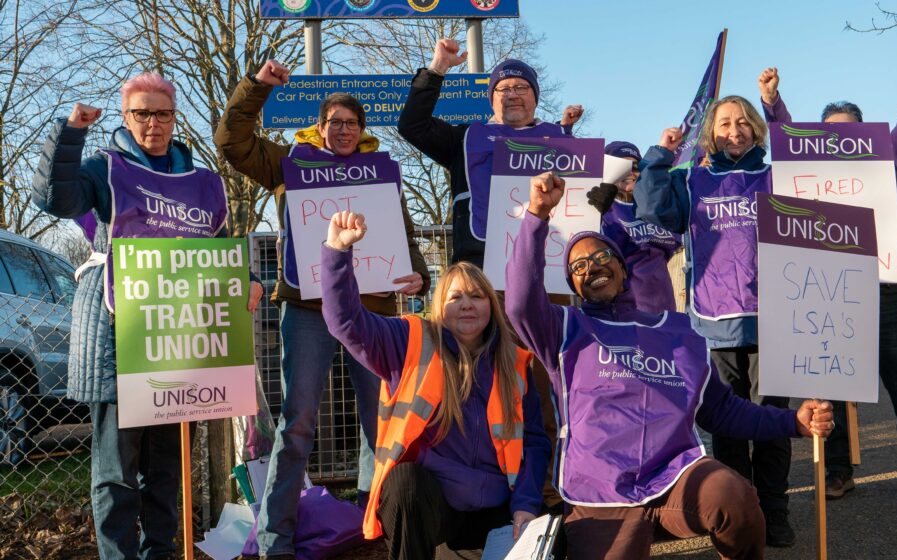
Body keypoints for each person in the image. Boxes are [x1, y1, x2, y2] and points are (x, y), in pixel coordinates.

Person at [505, 171, 834, 560]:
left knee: (735, 497)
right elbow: (520, 303)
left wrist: (794, 421)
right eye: (578, 267)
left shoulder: (678, 331)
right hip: (600, 487)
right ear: (574, 286)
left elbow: (722, 410)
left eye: (601, 257)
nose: (592, 267)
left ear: (624, 268)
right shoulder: (565, 328)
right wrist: (537, 216)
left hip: (675, 473)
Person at [32, 72, 264, 560]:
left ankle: (160, 551)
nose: (153, 123)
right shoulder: (104, 169)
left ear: (175, 118)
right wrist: (69, 132)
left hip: (185, 341)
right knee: (116, 471)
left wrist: (248, 281)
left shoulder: (203, 183)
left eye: (162, 113)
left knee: (168, 469)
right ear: (126, 116)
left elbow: (220, 251)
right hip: (121, 336)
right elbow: (53, 199)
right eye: (142, 113)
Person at [214, 60, 431, 559]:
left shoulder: (382, 172)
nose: (344, 130)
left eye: (352, 124)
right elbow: (232, 140)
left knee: (382, 419)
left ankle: (376, 520)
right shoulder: (291, 162)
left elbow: (403, 234)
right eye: (335, 122)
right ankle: (276, 540)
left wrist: (416, 270)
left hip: (371, 309)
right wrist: (257, 86)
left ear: (362, 131)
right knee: (299, 420)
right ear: (320, 126)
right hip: (307, 308)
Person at [756, 39, 897, 502]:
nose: (836, 140)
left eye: (846, 132)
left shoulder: (890, 166)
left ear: (864, 136)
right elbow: (790, 153)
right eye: (827, 132)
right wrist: (772, 104)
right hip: (827, 291)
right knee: (829, 385)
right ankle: (838, 470)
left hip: (889, 291)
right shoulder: (809, 175)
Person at [319, 210, 550, 560]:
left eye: (477, 296)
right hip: (433, 507)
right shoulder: (409, 340)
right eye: (455, 297)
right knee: (404, 484)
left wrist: (526, 506)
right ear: (439, 306)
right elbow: (346, 322)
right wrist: (337, 252)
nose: (467, 305)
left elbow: (532, 442)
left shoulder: (516, 363)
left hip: (496, 511)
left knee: (559, 534)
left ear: (492, 304)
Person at [633, 97, 796, 546]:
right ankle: (744, 511)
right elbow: (652, 211)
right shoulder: (693, 177)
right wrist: (659, 157)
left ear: (757, 130)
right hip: (715, 321)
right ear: (711, 133)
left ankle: (776, 511)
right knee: (728, 426)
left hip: (774, 320)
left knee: (773, 423)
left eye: (744, 122)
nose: (735, 129)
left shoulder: (776, 174)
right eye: (725, 123)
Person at [397, 38, 583, 267]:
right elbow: (412, 125)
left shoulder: (560, 141)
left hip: (551, 264)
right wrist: (437, 69)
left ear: (535, 96)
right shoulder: (465, 138)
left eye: (521, 87)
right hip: (481, 267)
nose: (512, 94)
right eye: (503, 89)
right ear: (491, 99)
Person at [586, 141, 683, 313]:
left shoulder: (655, 208)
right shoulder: (599, 210)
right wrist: (595, 215)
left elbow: (683, 236)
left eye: (635, 166)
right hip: (621, 314)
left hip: (664, 312)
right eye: (620, 166)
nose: (629, 172)